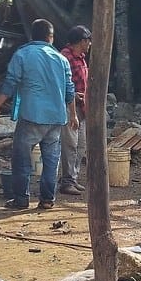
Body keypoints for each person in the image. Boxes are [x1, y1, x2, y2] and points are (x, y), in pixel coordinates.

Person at [0, 19, 78, 210]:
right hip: (56, 118)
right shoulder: (61, 59)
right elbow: (69, 90)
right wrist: (73, 115)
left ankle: (21, 200)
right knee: (50, 161)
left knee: (22, 160)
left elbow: (10, 83)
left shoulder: (22, 54)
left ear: (33, 35)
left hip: (31, 116)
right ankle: (47, 200)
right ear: (50, 37)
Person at [59, 25, 91, 193]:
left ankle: (73, 177)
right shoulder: (65, 57)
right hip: (70, 106)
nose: (90, 44)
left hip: (82, 107)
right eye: (88, 40)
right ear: (82, 41)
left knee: (80, 145)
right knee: (70, 144)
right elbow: (63, 83)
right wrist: (73, 98)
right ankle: (67, 181)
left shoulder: (81, 58)